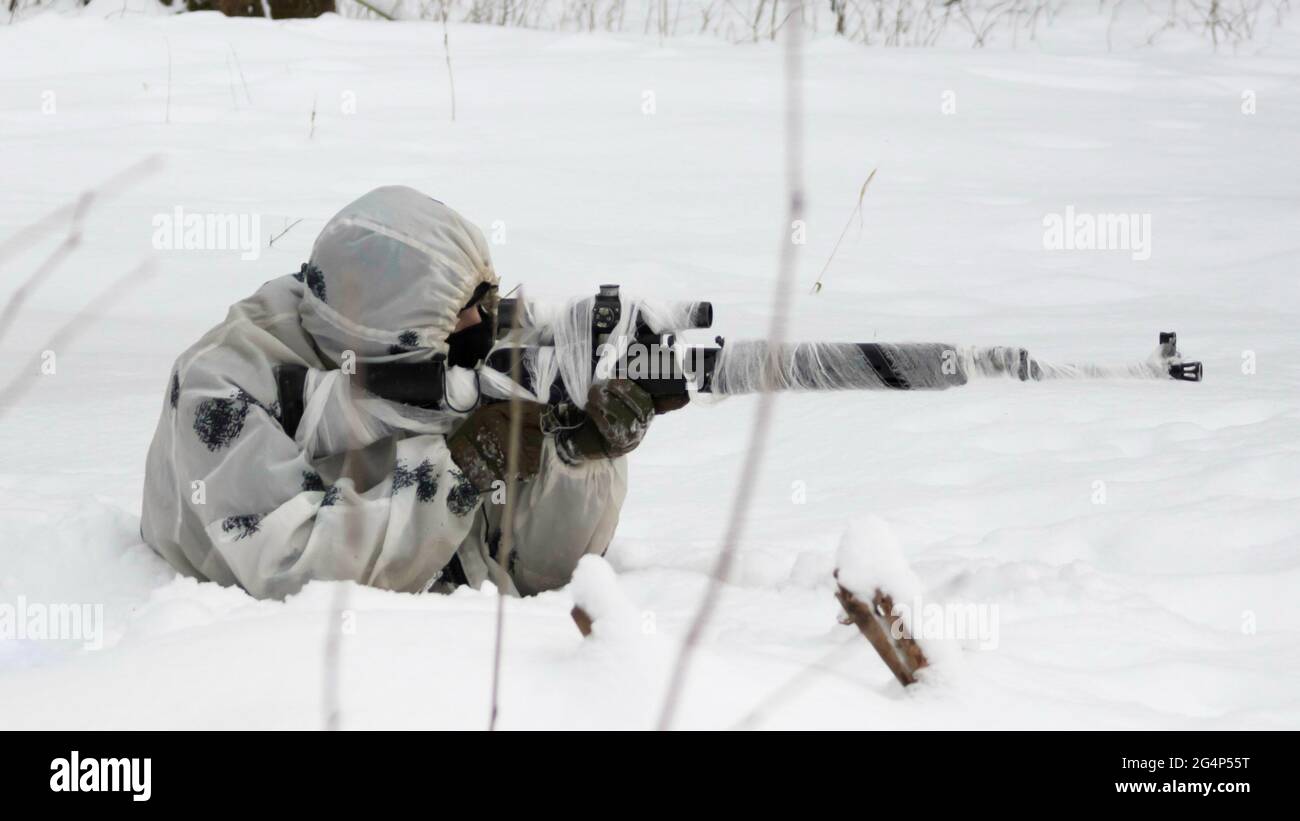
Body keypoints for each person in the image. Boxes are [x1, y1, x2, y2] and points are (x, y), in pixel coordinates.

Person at [141, 186, 670, 600]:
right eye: (460, 310)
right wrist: (459, 472)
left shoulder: (435, 339)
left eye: (484, 298)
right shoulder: (221, 393)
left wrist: (576, 459)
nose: (478, 324)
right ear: (389, 326)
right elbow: (300, 576)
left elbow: (541, 576)